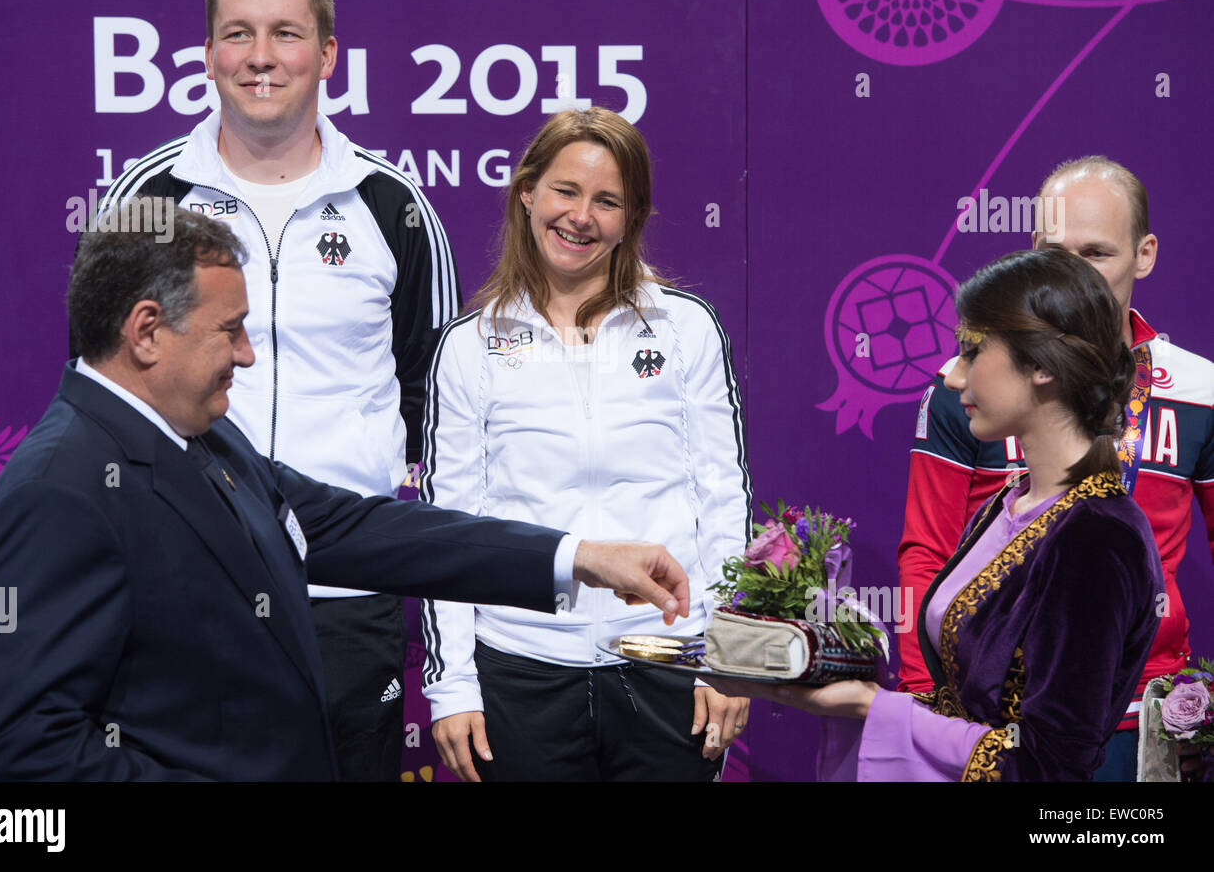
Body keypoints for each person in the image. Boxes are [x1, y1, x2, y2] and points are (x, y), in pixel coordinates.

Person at [0, 207, 692, 781]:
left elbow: (359, 530)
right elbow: (28, 751)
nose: (247, 353)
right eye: (231, 330)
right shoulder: (59, 491)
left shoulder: (204, 438)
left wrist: (580, 556)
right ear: (147, 331)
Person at [91, 0, 460, 780]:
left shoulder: (393, 206)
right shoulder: (147, 199)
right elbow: (105, 403)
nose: (261, 56)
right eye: (238, 35)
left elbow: (437, 407)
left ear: (327, 54)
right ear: (210, 54)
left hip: (346, 597)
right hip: (184, 589)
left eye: (286, 33)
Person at [709, 249, 1164, 781]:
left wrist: (870, 707)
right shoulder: (1010, 501)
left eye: (972, 350)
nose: (951, 376)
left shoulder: (1097, 537)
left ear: (1041, 365)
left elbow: (1047, 768)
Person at [418, 107, 753, 781]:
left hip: (668, 664)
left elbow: (722, 497)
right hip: (520, 670)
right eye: (565, 191)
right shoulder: (468, 344)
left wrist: (731, 653)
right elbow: (449, 529)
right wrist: (453, 683)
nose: (581, 216)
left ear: (631, 219)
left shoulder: (686, 328)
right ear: (527, 193)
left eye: (607, 201)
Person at [897, 156, 1214, 780]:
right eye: (1055, 252)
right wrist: (919, 706)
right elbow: (926, 552)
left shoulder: (1200, 389)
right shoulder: (973, 387)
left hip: (1145, 714)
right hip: (997, 715)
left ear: (1144, 255)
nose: (1075, 277)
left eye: (1096, 253)